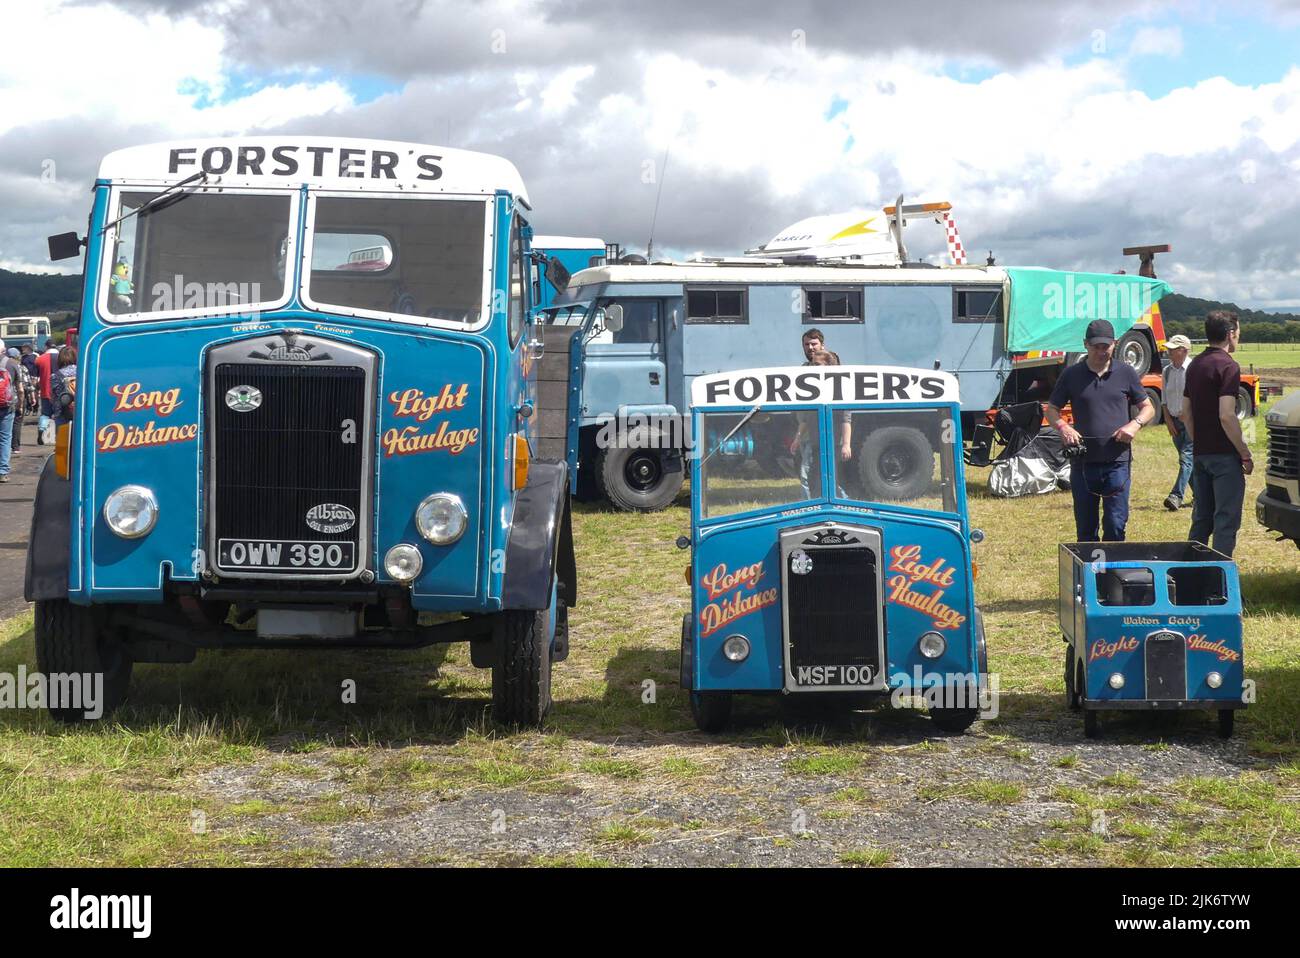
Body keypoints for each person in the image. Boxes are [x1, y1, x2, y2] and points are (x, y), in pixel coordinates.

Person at [1046, 319, 1155, 542]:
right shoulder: (1072, 375)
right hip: (1083, 462)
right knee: (1086, 529)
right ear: (1085, 344)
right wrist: (1063, 427)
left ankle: (1113, 574)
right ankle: (1090, 575)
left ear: (1115, 344)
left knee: (1116, 524)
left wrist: (1134, 425)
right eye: (1096, 346)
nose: (1101, 351)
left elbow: (1148, 407)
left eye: (1106, 346)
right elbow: (1052, 410)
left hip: (1117, 461)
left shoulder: (1126, 372)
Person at [1182, 311, 1251, 556]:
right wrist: (1244, 453)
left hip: (1201, 454)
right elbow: (1227, 414)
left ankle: (1189, 574)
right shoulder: (1228, 366)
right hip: (1224, 457)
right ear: (1230, 334)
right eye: (1238, 333)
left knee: (1201, 519)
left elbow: (1185, 413)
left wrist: (1197, 441)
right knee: (1225, 521)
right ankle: (1219, 583)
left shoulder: (1195, 365)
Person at [1161, 334, 1194, 510]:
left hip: (1191, 421)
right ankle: (1201, 497)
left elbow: (1199, 397)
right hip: (1174, 420)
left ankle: (1176, 496)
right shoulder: (1167, 371)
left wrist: (1188, 415)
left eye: (1173, 349)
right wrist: (1168, 420)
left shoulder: (1193, 369)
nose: (1169, 352)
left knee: (1186, 458)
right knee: (1189, 463)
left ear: (1184, 351)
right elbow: (1164, 398)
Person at [34, 344, 58, 444]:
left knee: (45, 414)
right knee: (57, 414)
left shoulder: (39, 359)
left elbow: (36, 377)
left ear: (46, 347)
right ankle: (52, 438)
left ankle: (42, 429)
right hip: (58, 392)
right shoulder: (62, 357)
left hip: (45, 391)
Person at [49, 346, 78, 426]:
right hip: (81, 412)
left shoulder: (55, 376)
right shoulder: (83, 373)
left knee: (63, 437)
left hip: (63, 414)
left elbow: (55, 397)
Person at [5, 348, 27, 452]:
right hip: (13, 398)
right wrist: (21, 404)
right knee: (16, 422)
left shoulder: (2, 364)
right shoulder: (18, 366)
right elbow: (21, 388)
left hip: (3, 397)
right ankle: (15, 446)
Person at [0, 339, 12, 483]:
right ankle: (2, 471)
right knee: (4, 438)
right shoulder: (12, 364)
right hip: (7, 406)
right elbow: (20, 388)